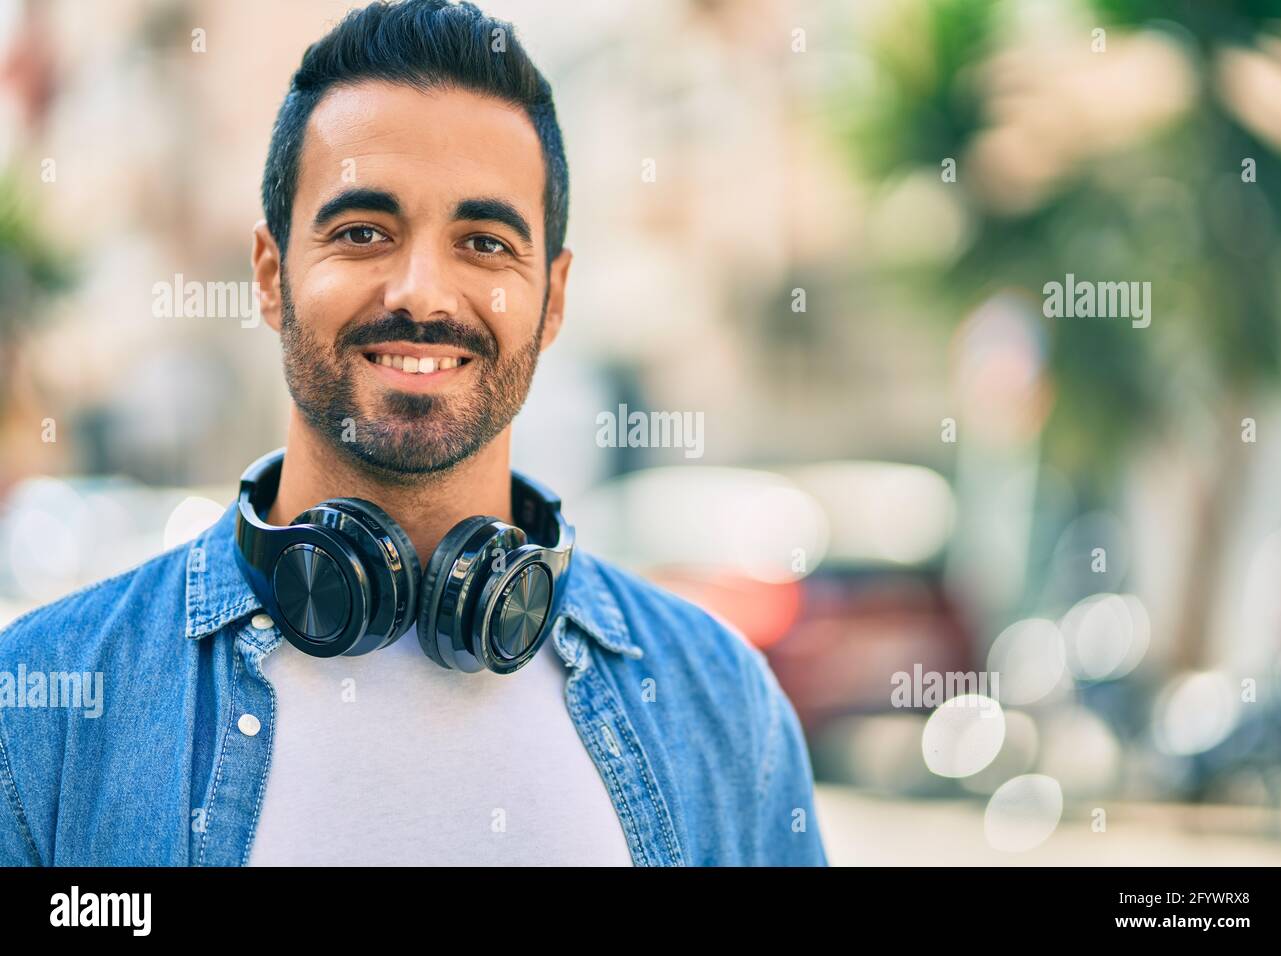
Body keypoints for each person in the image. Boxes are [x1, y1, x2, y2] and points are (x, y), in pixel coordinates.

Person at [0, 0, 827, 867]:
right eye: (363, 232)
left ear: (554, 299)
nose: (423, 294)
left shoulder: (723, 707)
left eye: (484, 242)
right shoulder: (44, 711)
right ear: (272, 276)